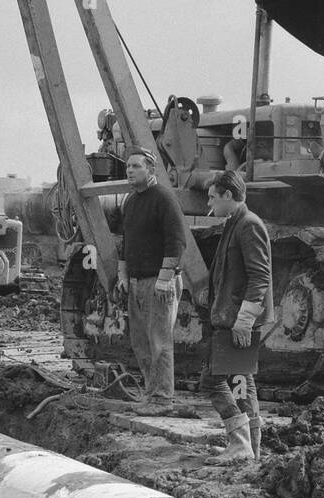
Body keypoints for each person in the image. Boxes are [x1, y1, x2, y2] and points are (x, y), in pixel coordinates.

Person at [200, 170, 272, 466]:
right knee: (242, 380)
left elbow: (260, 276)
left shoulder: (248, 224)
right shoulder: (236, 222)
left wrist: (244, 320)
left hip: (238, 320)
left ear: (228, 195)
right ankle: (250, 447)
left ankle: (241, 443)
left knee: (212, 381)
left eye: (213, 196)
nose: (209, 202)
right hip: (231, 317)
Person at [114, 147, 187, 407]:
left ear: (151, 170)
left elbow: (177, 241)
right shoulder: (131, 202)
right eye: (128, 167)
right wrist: (123, 275)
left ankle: (162, 398)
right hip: (136, 282)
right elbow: (125, 243)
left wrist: (166, 278)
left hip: (158, 283)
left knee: (160, 343)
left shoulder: (163, 198)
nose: (130, 171)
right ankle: (150, 392)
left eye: (136, 166)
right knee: (141, 344)